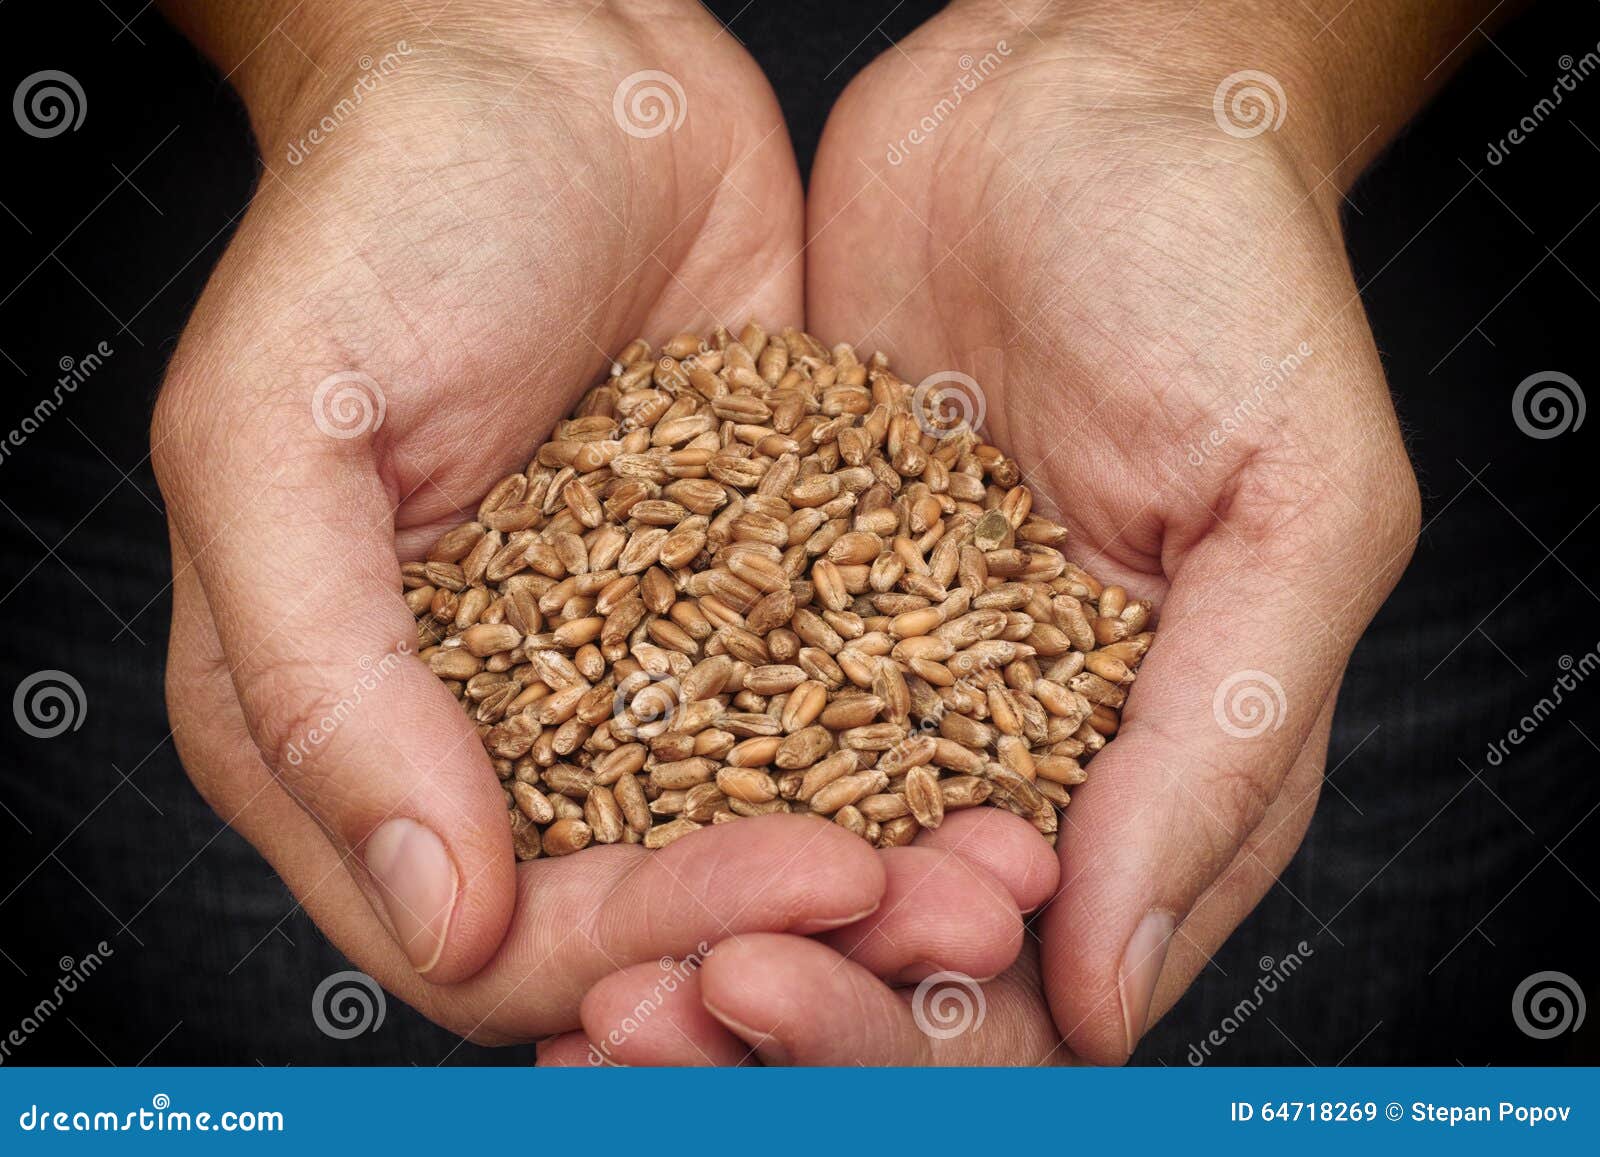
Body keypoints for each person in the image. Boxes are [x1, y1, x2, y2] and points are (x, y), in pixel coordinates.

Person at [151, 0, 1486, 1064]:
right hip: (326, 458)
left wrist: (1214, 49)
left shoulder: (976, 575)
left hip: (1375, 477)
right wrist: (383, 30)